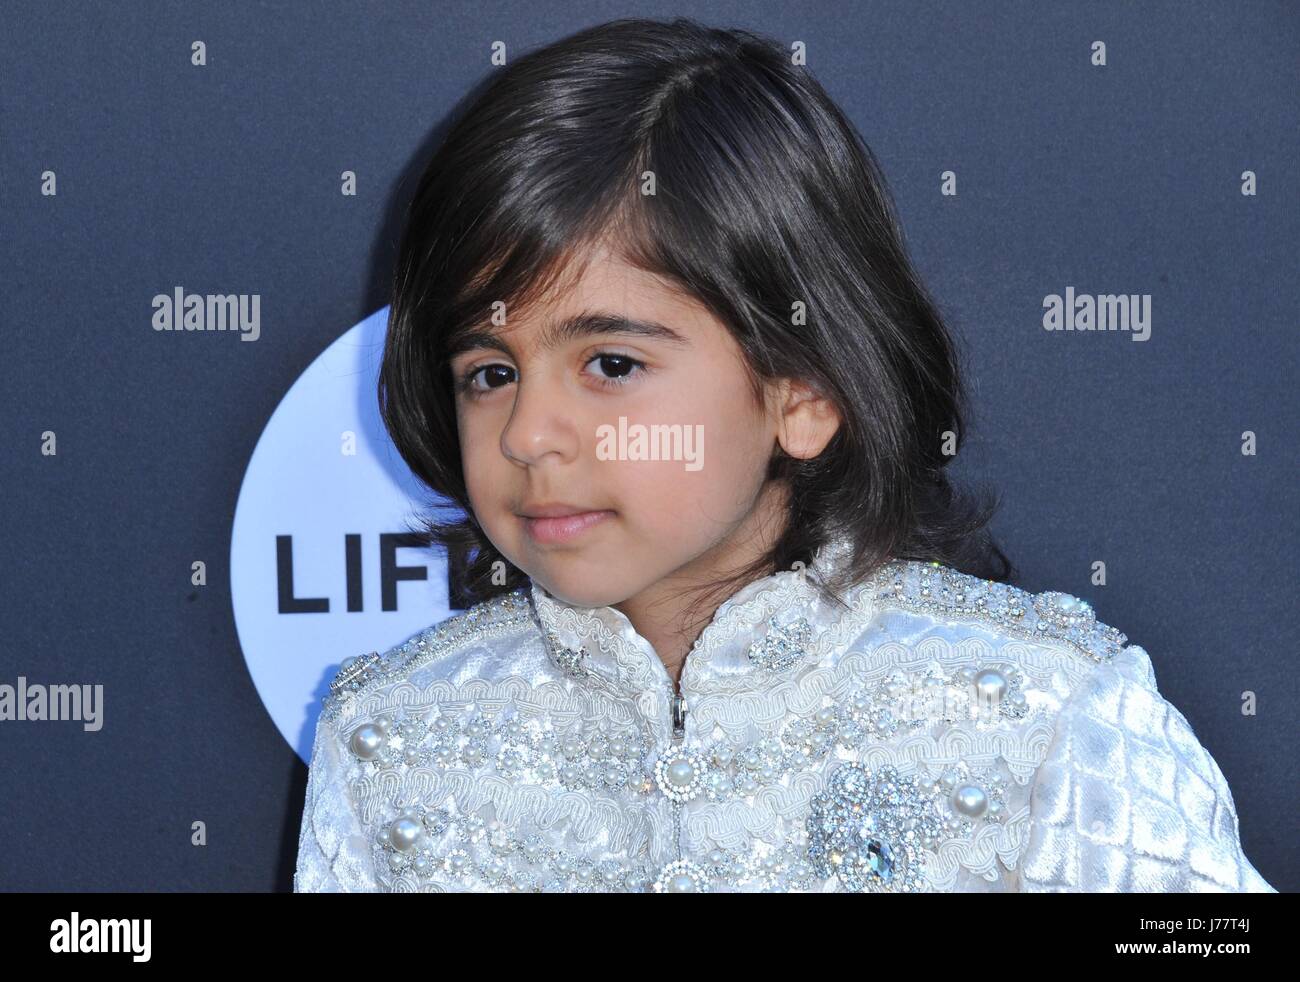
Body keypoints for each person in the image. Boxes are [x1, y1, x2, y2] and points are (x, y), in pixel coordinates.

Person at [293, 17, 1274, 893]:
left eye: (611, 362)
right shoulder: (391, 738)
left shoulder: (1049, 714)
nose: (527, 434)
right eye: (489, 373)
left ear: (801, 393)